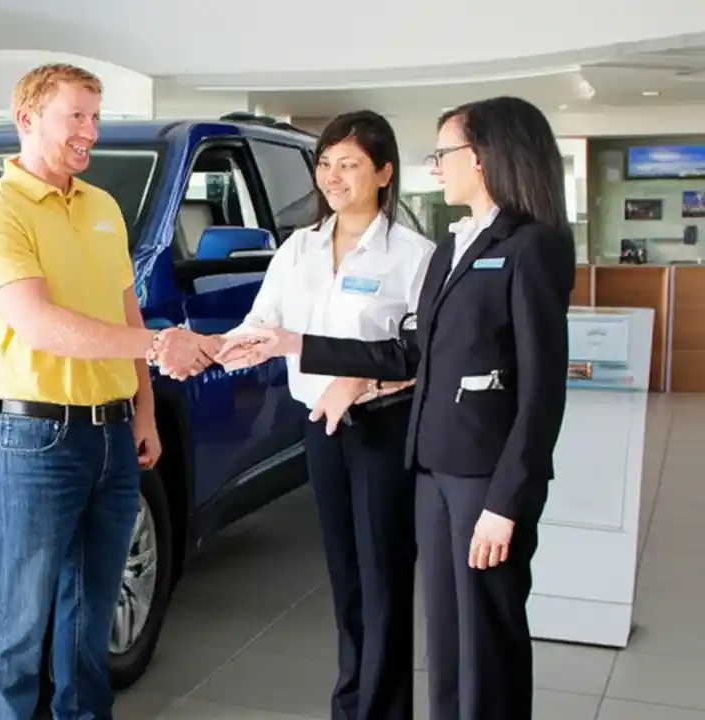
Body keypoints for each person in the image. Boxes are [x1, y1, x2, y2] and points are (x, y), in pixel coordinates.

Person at [219, 96, 575, 719]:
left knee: (485, 637)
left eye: (446, 152)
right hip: (431, 463)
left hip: (477, 470)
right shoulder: (456, 244)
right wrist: (246, 348)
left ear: (487, 156)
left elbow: (540, 390)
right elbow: (411, 352)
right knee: (446, 637)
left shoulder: (527, 246)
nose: (436, 165)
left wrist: (506, 501)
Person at [0, 62, 221, 719]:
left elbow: (124, 308)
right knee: (19, 625)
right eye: (76, 116)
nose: (90, 132)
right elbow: (42, 324)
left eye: (95, 117)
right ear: (28, 119)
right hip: (37, 439)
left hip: (111, 437)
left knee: (90, 620)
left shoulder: (101, 207)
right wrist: (160, 347)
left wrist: (144, 407)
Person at [220, 110, 434, 720]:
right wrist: (206, 350)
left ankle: (383, 709)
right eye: (325, 164)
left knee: (384, 580)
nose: (333, 177)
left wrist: (360, 376)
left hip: (384, 427)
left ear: (385, 172)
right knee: (346, 580)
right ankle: (350, 707)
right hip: (321, 426)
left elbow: (424, 352)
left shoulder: (413, 257)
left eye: (350, 165)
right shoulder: (299, 247)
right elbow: (263, 324)